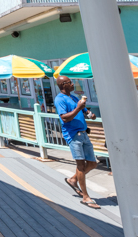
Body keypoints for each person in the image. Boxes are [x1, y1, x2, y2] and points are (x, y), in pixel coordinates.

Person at [55, 76, 100, 209]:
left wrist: (90, 114)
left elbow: (85, 111)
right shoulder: (60, 99)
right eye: (70, 82)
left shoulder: (74, 97)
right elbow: (64, 118)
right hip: (73, 135)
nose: (73, 84)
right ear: (63, 84)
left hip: (84, 133)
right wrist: (78, 108)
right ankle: (86, 197)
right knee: (80, 165)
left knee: (92, 164)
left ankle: (73, 179)